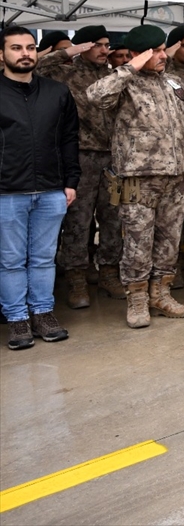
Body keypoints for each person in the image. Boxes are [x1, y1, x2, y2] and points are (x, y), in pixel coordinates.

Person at [88, 24, 184, 327]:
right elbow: (95, 96)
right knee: (137, 243)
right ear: (137, 54)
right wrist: (129, 68)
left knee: (169, 242)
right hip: (139, 180)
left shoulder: (176, 84)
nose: (164, 56)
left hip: (175, 178)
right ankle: (137, 299)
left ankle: (161, 293)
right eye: (156, 51)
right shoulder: (124, 84)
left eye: (164, 49)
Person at [35, 25, 123, 307]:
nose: (103, 50)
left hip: (113, 157)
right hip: (82, 156)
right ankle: (76, 280)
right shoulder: (67, 73)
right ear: (84, 46)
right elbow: (34, 67)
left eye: (106, 45)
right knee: (78, 222)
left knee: (113, 219)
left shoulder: (113, 76)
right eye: (97, 45)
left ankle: (109, 274)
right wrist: (67, 52)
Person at [1, 25, 78, 349]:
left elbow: (69, 139)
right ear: (2, 54)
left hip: (50, 191)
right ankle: (17, 320)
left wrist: (71, 182)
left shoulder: (57, 92)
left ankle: (43, 313)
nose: (25, 54)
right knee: (11, 260)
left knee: (45, 258)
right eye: (16, 48)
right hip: (7, 192)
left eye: (30, 47)